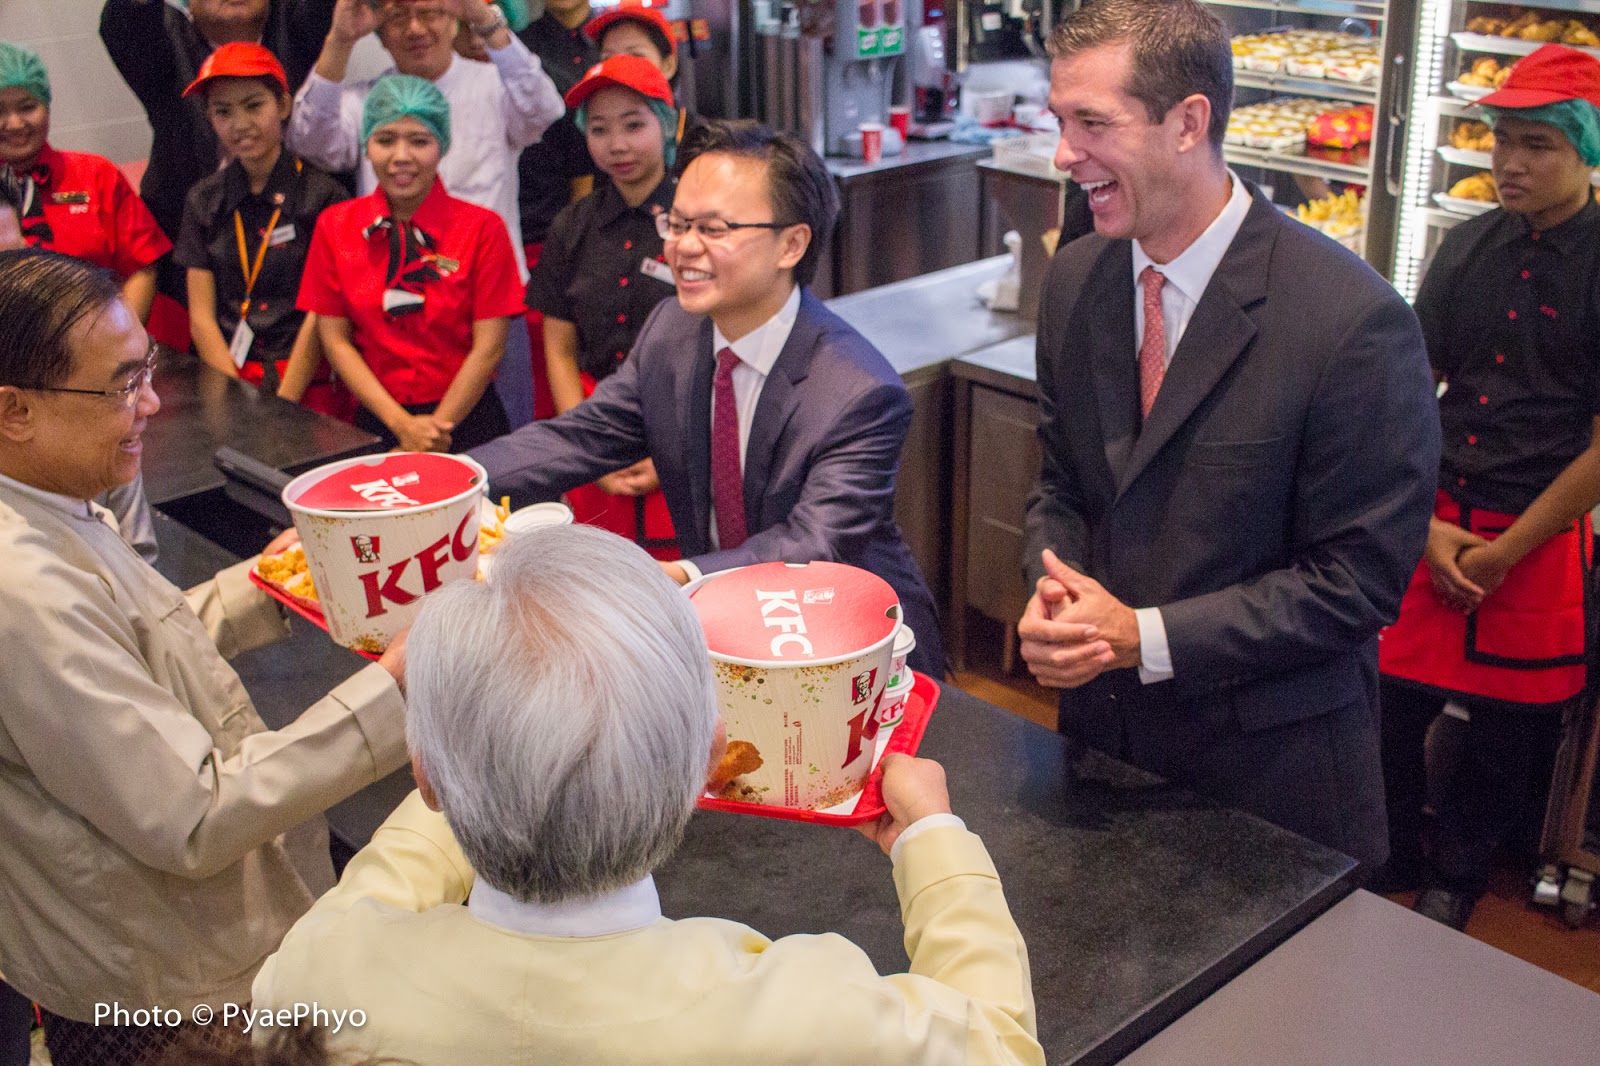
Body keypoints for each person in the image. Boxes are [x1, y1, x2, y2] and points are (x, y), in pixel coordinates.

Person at [252, 524, 1042, 1065]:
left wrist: (492, 760)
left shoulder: (318, 979)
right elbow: (1000, 1049)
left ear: (424, 772)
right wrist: (933, 840)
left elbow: (375, 891)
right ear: (708, 764)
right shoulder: (812, 1015)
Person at [1016, 0, 1439, 868]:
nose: (1066, 154)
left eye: (1093, 123)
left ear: (1189, 123)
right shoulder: (1076, 278)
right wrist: (1054, 592)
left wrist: (1143, 637)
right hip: (1102, 754)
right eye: (1061, 122)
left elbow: (1355, 584)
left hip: (1272, 787)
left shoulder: (1350, 320)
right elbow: (1060, 482)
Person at [0, 248, 409, 1066]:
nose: (150, 401)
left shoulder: (49, 502)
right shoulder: (22, 586)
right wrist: (399, 692)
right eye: (121, 386)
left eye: (146, 369)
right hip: (166, 1002)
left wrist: (273, 584)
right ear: (15, 409)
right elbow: (192, 814)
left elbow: (128, 642)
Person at [469, 120, 946, 677]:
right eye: (678, 222)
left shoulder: (858, 391)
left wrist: (675, 576)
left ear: (791, 243)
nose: (684, 247)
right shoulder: (672, 329)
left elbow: (814, 543)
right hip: (727, 630)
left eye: (714, 228)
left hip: (850, 645)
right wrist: (453, 477)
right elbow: (584, 434)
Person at [1379, 44, 1600, 929]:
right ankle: (1393, 846)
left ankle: (1460, 874)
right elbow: (1411, 393)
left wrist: (1507, 549)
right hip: (1436, 513)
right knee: (1391, 703)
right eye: (1502, 140)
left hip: (1538, 533)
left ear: (1586, 153)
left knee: (1512, 731)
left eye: (1537, 144)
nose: (1509, 162)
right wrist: (1428, 525)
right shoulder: (1465, 246)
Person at [290, 0, 565, 429]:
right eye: (398, 16)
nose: (415, 28)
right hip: (389, 320)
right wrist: (340, 40)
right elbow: (307, 138)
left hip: (489, 316)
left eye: (431, 12)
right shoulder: (368, 101)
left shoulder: (493, 85)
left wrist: (487, 20)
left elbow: (546, 109)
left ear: (454, 16)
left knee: (506, 455)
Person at [297, 75, 525, 453]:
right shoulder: (335, 227)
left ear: (442, 146)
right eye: (385, 140)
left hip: (467, 421)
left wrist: (432, 432)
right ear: (366, 145)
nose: (401, 156)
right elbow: (335, 340)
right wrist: (402, 425)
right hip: (376, 420)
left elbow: (489, 348)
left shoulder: (483, 229)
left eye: (420, 141)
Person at [527, 55, 680, 557]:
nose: (617, 145)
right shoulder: (571, 226)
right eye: (599, 129)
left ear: (667, 121)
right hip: (593, 419)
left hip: (686, 425)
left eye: (634, 125)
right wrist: (590, 447)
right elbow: (559, 349)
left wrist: (672, 453)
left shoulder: (698, 221)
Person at [175, 43, 353, 419]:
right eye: (223, 112)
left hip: (308, 381)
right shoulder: (203, 200)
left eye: (254, 106)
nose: (239, 124)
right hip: (229, 383)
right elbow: (202, 318)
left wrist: (285, 401)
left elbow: (323, 312)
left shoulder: (325, 196)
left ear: (283, 106)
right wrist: (234, 395)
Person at [99, 0, 338, 265]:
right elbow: (124, 24)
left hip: (304, 240)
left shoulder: (295, 26)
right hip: (192, 248)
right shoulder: (162, 42)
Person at [0, 42, 171, 323]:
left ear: (47, 106)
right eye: (0, 111)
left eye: (28, 107)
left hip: (103, 341)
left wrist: (117, 344)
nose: (15, 123)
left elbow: (142, 267)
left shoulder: (96, 174)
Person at [588, 0, 707, 146]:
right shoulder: (585, 136)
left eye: (636, 56)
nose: (620, 68)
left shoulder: (701, 139)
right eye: (609, 59)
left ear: (668, 66)